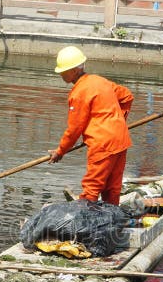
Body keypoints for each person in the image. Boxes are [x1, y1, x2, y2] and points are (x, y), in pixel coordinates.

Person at [48, 46, 134, 206]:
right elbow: (127, 96)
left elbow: (74, 129)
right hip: (120, 140)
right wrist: (117, 122)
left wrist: (60, 151)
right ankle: (111, 221)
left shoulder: (79, 92)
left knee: (91, 188)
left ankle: (84, 225)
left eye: (63, 70)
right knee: (112, 188)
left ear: (74, 70)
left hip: (102, 144)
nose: (60, 74)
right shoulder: (99, 81)